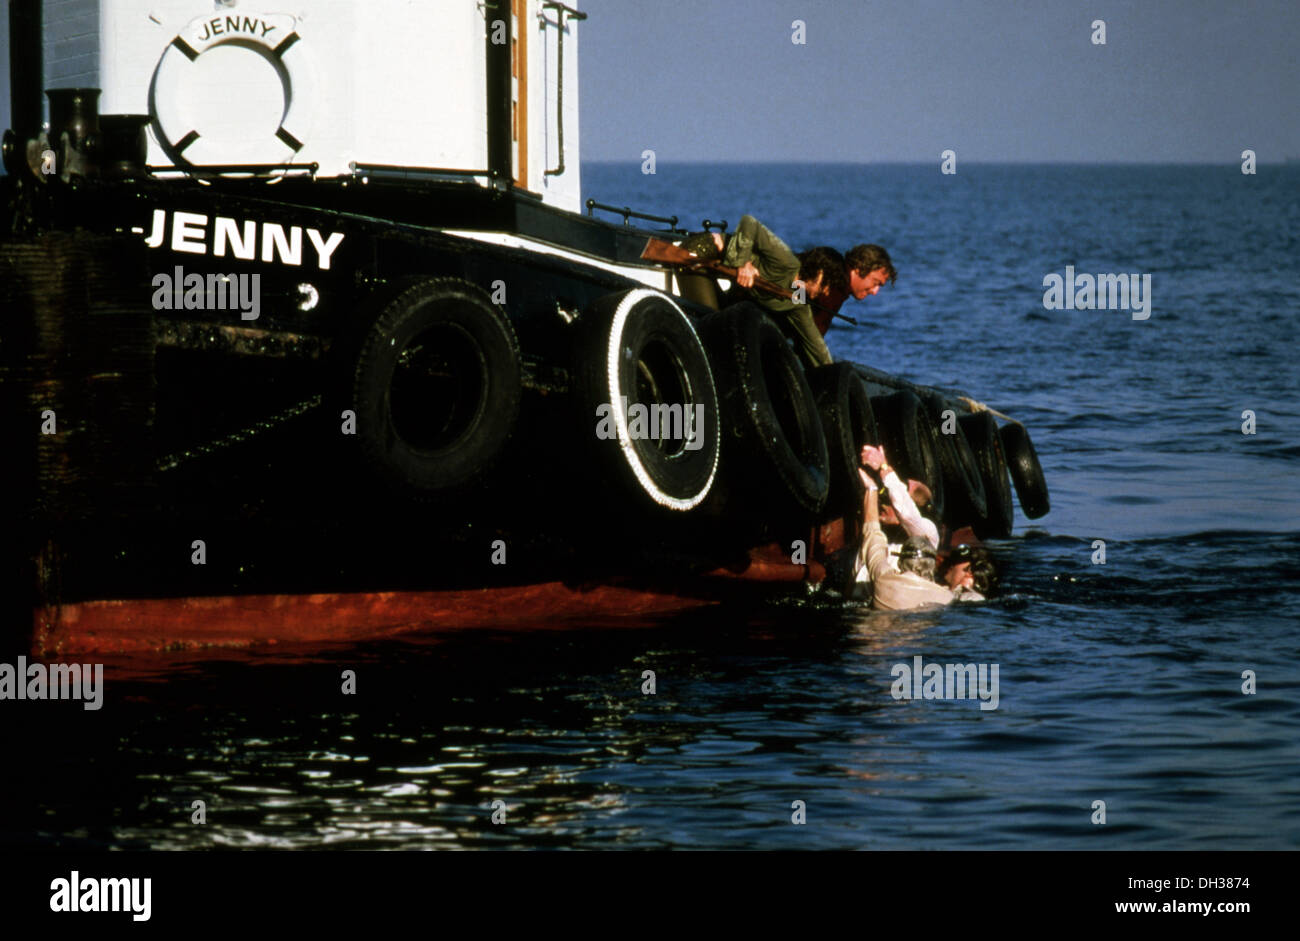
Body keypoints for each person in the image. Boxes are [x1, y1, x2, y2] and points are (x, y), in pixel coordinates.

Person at [678, 216, 846, 369]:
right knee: (714, 326)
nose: (824, 293)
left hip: (714, 272)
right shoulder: (785, 261)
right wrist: (742, 264)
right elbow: (749, 223)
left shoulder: (798, 299)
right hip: (698, 254)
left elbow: (814, 343)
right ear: (820, 273)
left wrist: (829, 372)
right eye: (826, 286)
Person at [849, 455, 992, 609]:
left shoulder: (927, 536)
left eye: (889, 499)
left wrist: (882, 471)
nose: (883, 504)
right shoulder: (945, 597)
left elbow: (899, 518)